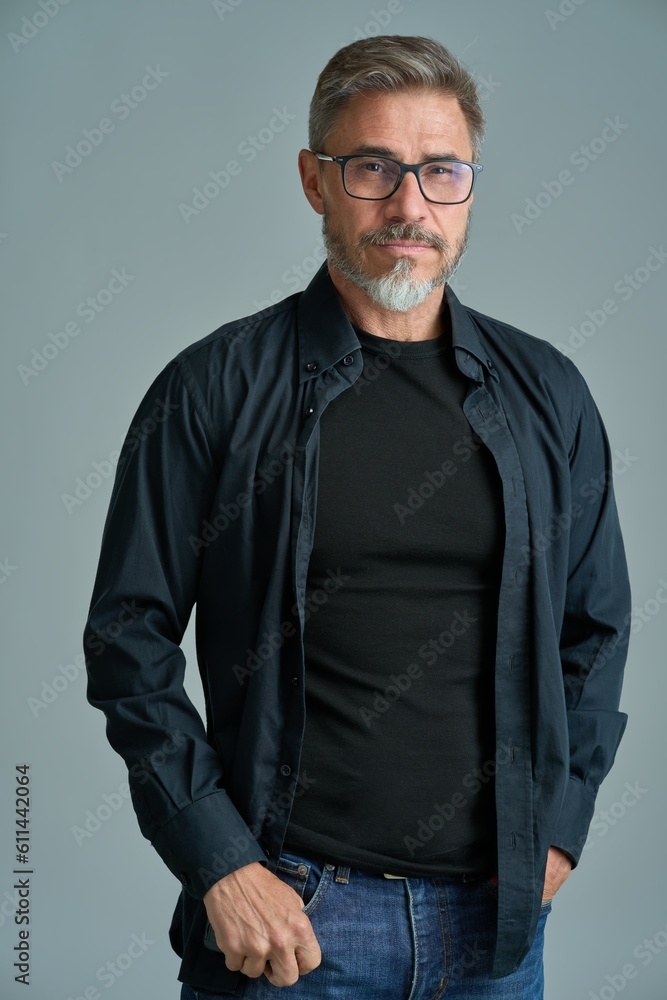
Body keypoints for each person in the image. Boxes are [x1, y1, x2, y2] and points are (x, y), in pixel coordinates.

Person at [83, 34, 631, 999]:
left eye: (440, 171)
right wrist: (219, 860)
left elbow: (596, 629)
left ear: (469, 186)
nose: (408, 204)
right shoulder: (212, 389)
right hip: (291, 926)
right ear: (314, 181)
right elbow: (127, 639)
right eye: (373, 167)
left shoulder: (549, 394)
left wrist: (559, 829)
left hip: (496, 932)